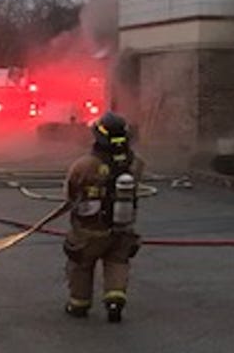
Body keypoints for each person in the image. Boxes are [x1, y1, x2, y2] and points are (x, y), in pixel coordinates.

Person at [62, 113, 145, 322]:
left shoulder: (83, 165)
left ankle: (78, 305)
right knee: (118, 262)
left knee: (80, 264)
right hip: (122, 229)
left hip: (88, 231)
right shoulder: (136, 164)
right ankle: (115, 301)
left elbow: (70, 193)